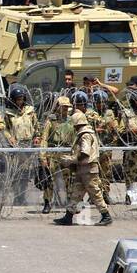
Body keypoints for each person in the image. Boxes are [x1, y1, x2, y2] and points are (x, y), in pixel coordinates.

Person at [54, 97, 112, 226]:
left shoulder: (85, 134)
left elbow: (84, 153)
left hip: (88, 169)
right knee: (76, 193)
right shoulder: (84, 133)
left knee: (95, 193)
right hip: (83, 169)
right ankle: (68, 216)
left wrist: (71, 160)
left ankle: (106, 215)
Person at [4, 84, 39, 206]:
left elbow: (36, 125)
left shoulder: (30, 111)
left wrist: (36, 137)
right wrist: (10, 137)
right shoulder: (9, 113)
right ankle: (16, 196)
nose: (20, 101)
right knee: (16, 172)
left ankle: (22, 196)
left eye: (21, 99)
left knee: (25, 173)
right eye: (17, 99)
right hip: (16, 145)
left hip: (27, 144)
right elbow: (5, 129)